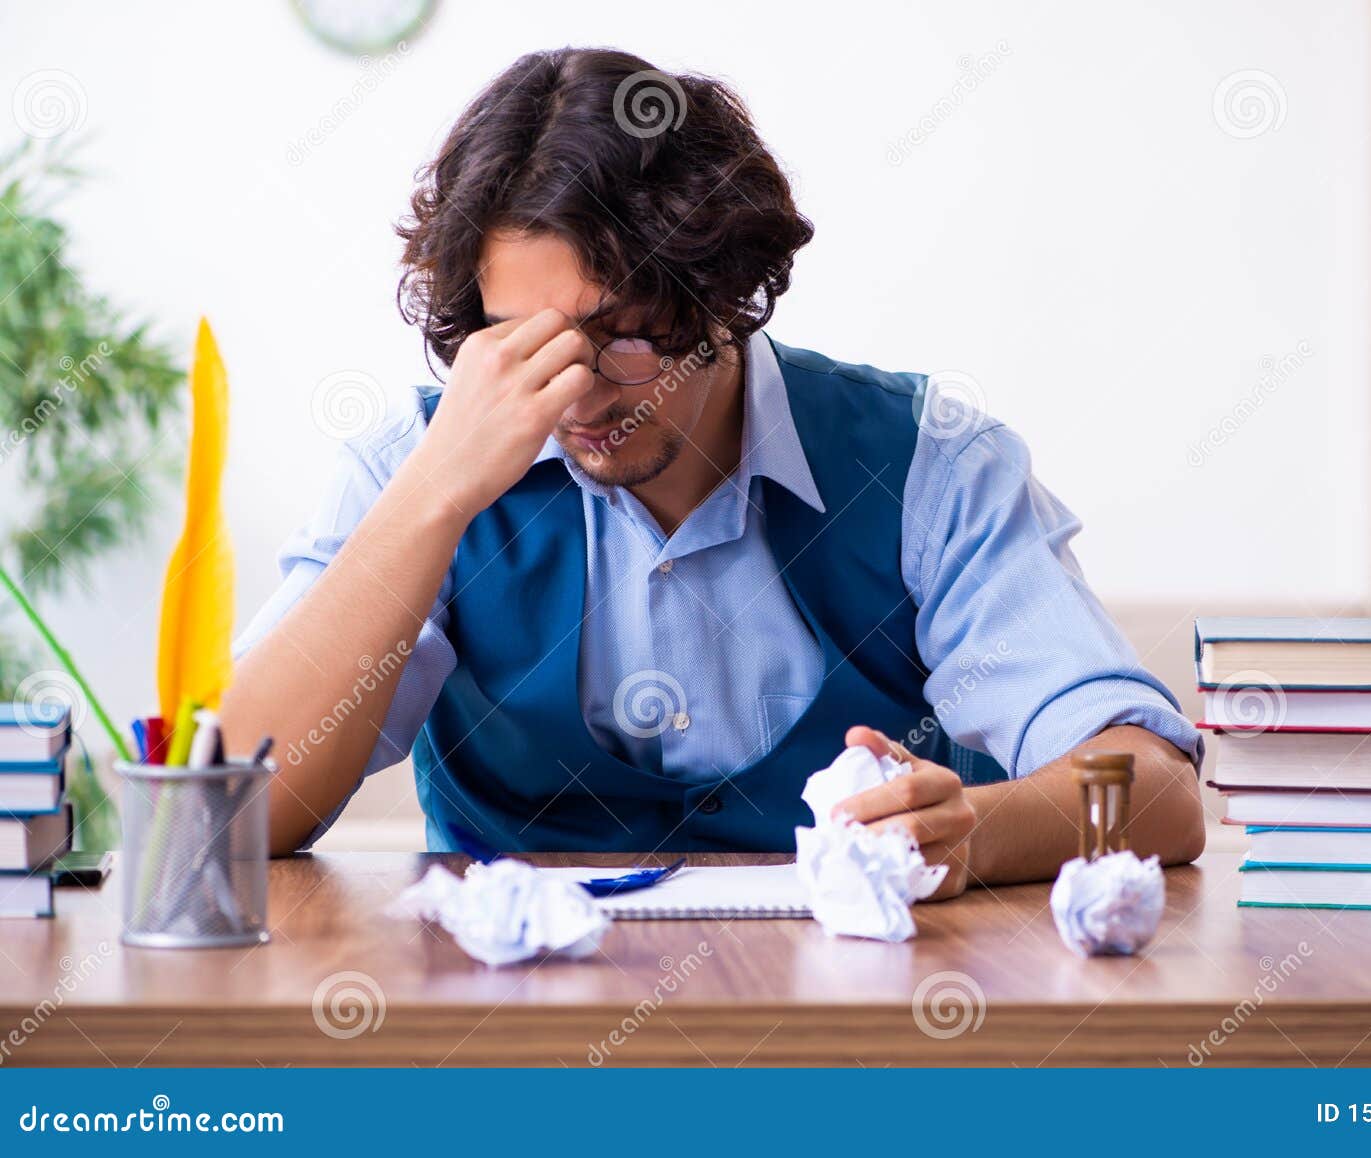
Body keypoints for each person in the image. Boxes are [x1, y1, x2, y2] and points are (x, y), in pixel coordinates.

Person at [223, 47, 1204, 896]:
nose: (574, 396)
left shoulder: (928, 466)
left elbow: (1156, 792)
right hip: (505, 1036)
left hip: (851, 1034)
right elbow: (224, 821)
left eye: (624, 338)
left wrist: (975, 833)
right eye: (521, 345)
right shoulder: (413, 469)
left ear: (726, 295)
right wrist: (433, 500)